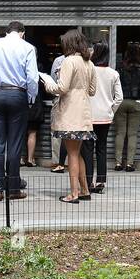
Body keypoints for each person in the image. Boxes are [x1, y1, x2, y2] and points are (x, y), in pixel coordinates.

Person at [0, 21, 39, 201]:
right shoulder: (28, 48)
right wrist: (31, 98)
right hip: (17, 95)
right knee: (14, 144)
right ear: (22, 33)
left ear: (7, 32)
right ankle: (13, 189)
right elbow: (32, 78)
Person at [43, 30, 98, 203]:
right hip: (84, 112)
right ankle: (84, 190)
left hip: (69, 113)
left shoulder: (69, 61)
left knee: (72, 154)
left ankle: (73, 194)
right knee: (78, 153)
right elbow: (92, 91)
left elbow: (62, 88)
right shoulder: (89, 63)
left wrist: (48, 85)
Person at [86, 42, 123, 193]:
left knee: (87, 150)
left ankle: (88, 182)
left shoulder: (89, 70)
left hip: (89, 115)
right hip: (105, 117)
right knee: (101, 148)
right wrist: (110, 110)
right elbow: (119, 98)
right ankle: (101, 181)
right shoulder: (113, 73)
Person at [114, 41, 140, 172]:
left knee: (120, 133)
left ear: (126, 53)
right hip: (136, 102)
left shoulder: (120, 67)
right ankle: (129, 164)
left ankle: (118, 163)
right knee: (132, 134)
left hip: (121, 102)